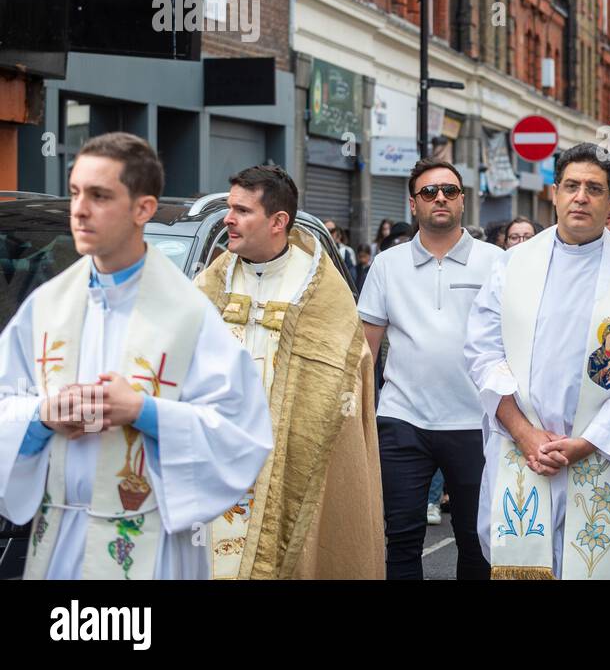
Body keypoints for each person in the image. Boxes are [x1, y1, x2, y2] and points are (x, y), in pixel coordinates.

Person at [0, 132, 272, 579]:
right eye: (74, 193)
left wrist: (144, 411)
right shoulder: (45, 306)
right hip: (59, 538)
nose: (80, 210)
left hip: (151, 545)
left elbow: (241, 434)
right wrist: (41, 416)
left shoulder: (188, 314)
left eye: (100, 195)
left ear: (143, 208)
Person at [464, 144, 610, 579]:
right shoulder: (513, 267)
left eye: (595, 189)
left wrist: (589, 442)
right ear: (555, 193)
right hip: (524, 451)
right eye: (572, 186)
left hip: (602, 455)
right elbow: (482, 355)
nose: (581, 196)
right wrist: (525, 434)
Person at [195, 165, 383, 578]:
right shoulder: (212, 283)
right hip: (220, 464)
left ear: (278, 221)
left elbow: (345, 381)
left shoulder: (320, 291)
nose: (228, 219)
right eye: (229, 208)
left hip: (290, 462)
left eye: (242, 210)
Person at [359, 159, 503, 579]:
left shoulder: (495, 261)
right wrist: (362, 419)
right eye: (428, 192)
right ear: (413, 204)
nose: (439, 197)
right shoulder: (387, 265)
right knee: (401, 539)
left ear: (462, 200)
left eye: (450, 191)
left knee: (477, 541)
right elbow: (365, 350)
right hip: (403, 420)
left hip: (477, 421)